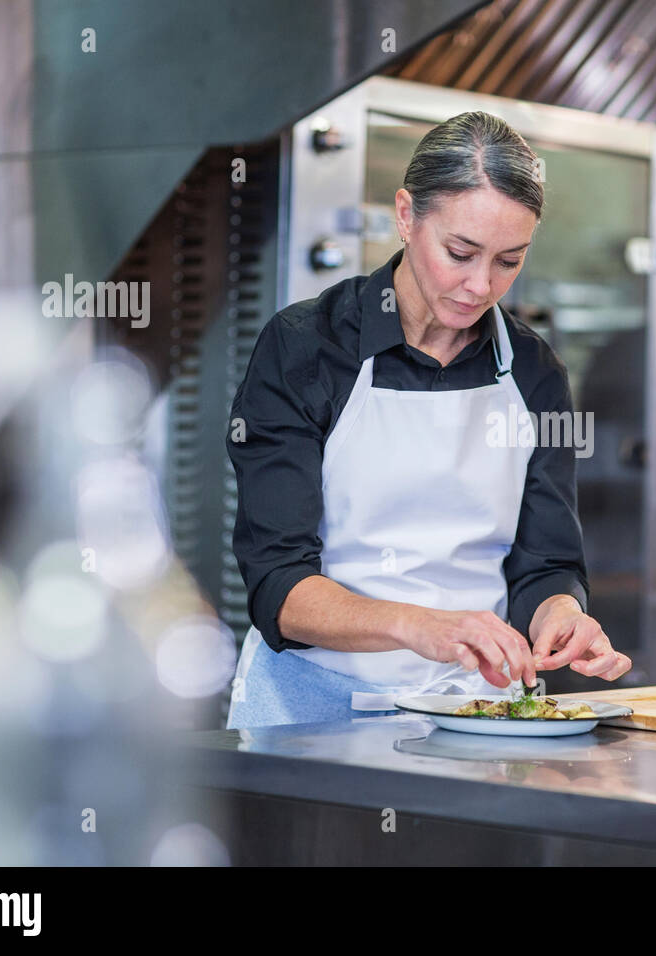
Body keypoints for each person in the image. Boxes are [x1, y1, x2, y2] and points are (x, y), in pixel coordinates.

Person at [225, 111, 631, 728]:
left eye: (509, 261)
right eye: (460, 252)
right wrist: (418, 625)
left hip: (478, 715)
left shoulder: (535, 370)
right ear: (407, 215)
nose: (479, 286)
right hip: (312, 712)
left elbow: (544, 563)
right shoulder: (306, 348)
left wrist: (561, 617)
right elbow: (279, 586)